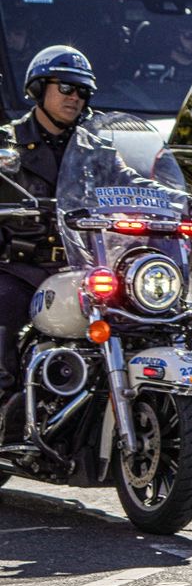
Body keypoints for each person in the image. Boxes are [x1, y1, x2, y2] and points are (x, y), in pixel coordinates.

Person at [0, 47, 100, 406]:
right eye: (67, 88)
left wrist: (175, 198)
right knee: (4, 304)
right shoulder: (8, 143)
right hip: (23, 266)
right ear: (39, 88)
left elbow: (128, 177)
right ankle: (5, 407)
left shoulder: (93, 144)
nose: (76, 98)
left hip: (80, 266)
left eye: (83, 91)